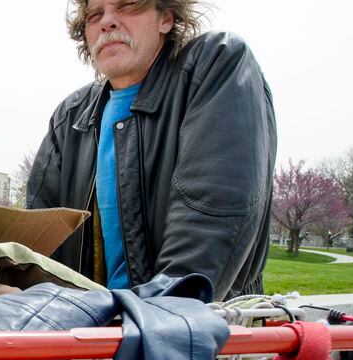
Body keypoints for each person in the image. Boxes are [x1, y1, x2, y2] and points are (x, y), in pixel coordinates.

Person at [26, 0, 276, 300]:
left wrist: (145, 322)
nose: (108, 21)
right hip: (91, 334)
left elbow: (206, 233)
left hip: (191, 335)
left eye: (127, 5)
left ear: (166, 18)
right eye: (94, 14)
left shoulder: (215, 64)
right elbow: (37, 245)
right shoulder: (70, 117)